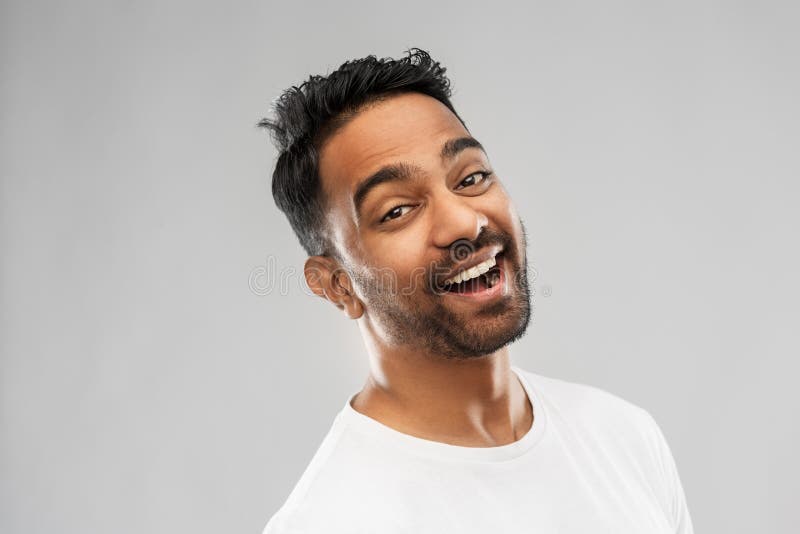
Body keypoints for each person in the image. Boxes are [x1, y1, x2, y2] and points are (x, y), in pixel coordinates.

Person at [258, 48, 693, 533]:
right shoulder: (329, 521)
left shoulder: (623, 436)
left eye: (471, 177)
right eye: (398, 210)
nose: (465, 221)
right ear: (338, 285)